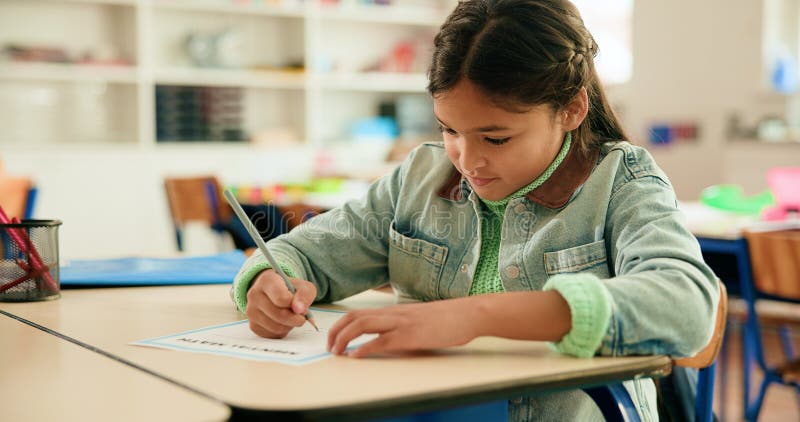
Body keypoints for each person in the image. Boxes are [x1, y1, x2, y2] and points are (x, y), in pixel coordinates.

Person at [230, 1, 719, 420]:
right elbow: (305, 252)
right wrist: (270, 282)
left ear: (571, 109)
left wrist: (474, 316)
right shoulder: (421, 176)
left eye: (496, 138)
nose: (467, 160)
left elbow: (686, 306)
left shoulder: (621, 182)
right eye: (449, 129)